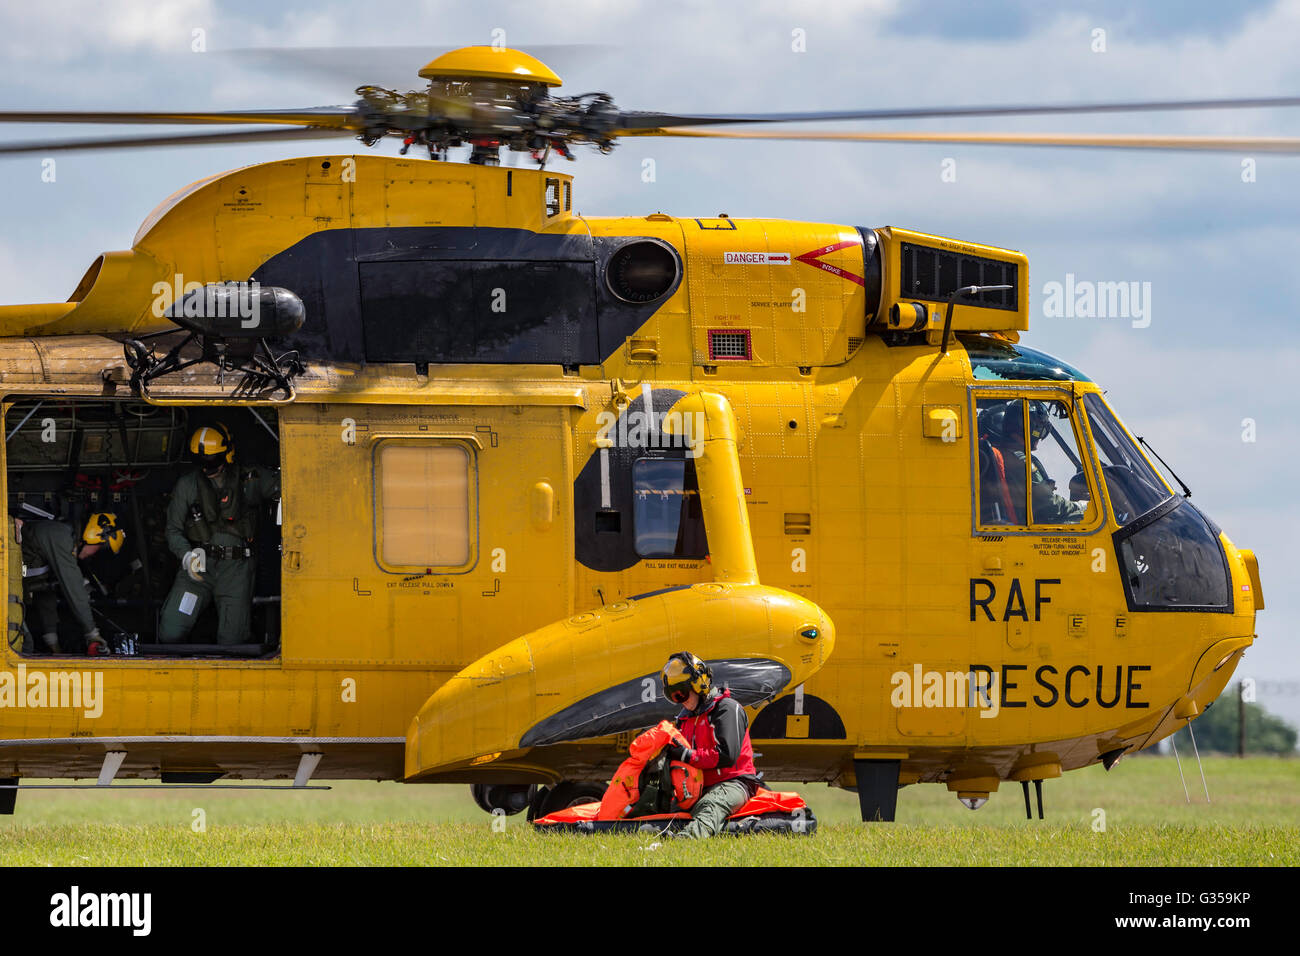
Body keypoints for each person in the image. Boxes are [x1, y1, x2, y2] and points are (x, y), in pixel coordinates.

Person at [158, 423, 278, 645]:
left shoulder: (251, 479)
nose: (206, 468)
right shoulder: (188, 485)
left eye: (211, 461)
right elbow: (173, 530)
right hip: (198, 570)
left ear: (227, 453)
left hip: (236, 571)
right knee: (171, 630)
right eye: (199, 461)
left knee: (231, 640)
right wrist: (186, 556)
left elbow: (288, 489)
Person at [660, 651, 761, 838]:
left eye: (681, 693)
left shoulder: (727, 709)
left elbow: (727, 755)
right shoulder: (684, 718)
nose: (679, 700)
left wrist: (687, 755)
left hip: (734, 783)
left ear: (699, 685)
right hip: (697, 785)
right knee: (667, 808)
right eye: (673, 696)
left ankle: (685, 840)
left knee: (710, 805)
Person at [17, 512, 122, 654]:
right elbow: (74, 590)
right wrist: (92, 634)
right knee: (25, 646)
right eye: (100, 547)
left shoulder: (59, 540)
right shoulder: (60, 538)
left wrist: (52, 642)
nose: (96, 553)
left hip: (10, 591)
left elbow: (45, 591)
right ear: (94, 535)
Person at [988, 400, 1086, 525]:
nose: (1041, 434)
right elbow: (1049, 505)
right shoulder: (1019, 460)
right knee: (1083, 520)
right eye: (1039, 427)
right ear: (1025, 426)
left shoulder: (1007, 454)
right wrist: (1080, 506)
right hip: (1031, 530)